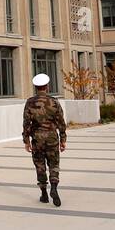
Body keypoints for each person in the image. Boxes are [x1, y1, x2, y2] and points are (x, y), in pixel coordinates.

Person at [23, 73, 67, 206]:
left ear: (36, 87)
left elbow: (26, 123)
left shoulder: (30, 102)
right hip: (52, 138)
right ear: (47, 86)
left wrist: (26, 140)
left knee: (40, 165)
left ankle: (44, 193)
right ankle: (54, 187)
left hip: (37, 139)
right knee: (54, 164)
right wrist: (63, 139)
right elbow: (61, 122)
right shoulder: (54, 101)